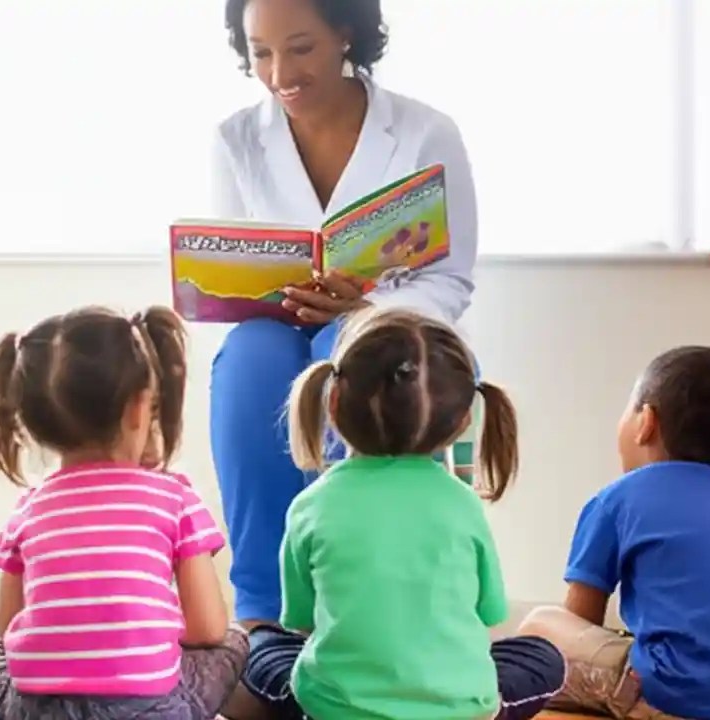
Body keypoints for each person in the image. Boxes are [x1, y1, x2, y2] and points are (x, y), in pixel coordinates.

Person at [209, 0, 480, 628]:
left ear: (346, 35)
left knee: (344, 344)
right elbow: (233, 263)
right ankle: (263, 612)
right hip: (278, 329)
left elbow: (451, 277)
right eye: (262, 53)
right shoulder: (236, 139)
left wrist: (364, 307)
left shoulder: (424, 133)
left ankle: (352, 606)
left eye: (300, 48)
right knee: (249, 355)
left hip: (392, 332)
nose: (280, 73)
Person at [227, 308, 563, 720]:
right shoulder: (461, 502)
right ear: (462, 424)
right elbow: (490, 614)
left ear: (331, 402)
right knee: (541, 656)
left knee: (262, 644)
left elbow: (301, 621)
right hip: (457, 710)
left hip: (335, 710)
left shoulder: (311, 505)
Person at [0, 306, 248, 719]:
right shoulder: (175, 496)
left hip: (38, 712)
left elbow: (9, 631)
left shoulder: (27, 508)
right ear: (139, 409)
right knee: (235, 640)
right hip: (155, 710)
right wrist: (144, 633)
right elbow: (207, 628)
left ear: (30, 420)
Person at [520, 346, 710, 719]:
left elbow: (581, 620)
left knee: (541, 626)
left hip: (681, 698)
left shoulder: (616, 499)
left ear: (645, 422)